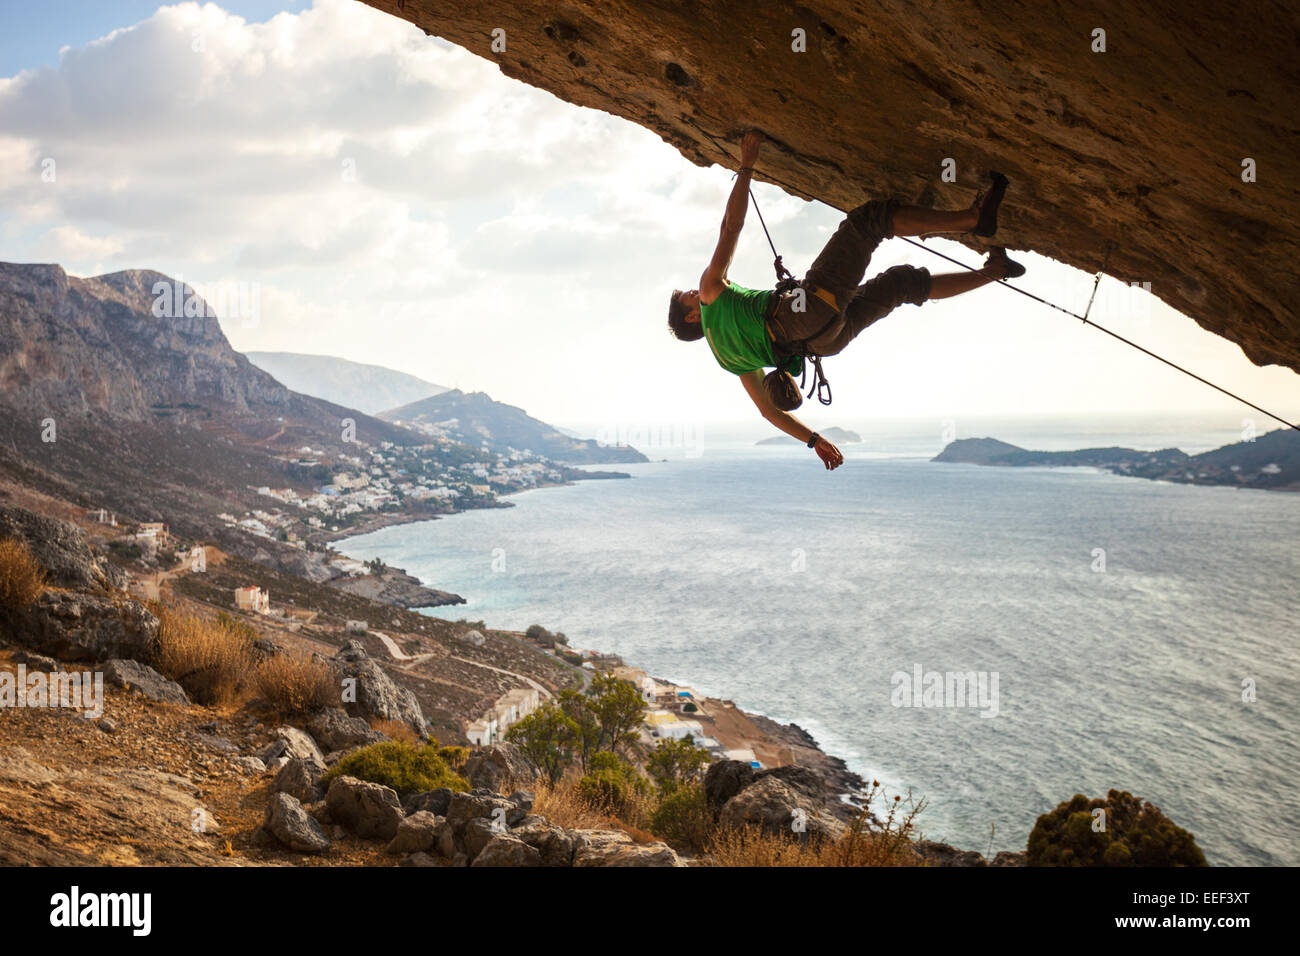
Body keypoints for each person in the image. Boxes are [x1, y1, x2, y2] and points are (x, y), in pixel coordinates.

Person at [667, 131, 1024, 470]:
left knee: (902, 284)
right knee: (868, 222)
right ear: (692, 318)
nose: (696, 292)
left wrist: (814, 440)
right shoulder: (712, 291)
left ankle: (994, 271)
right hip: (802, 314)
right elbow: (730, 227)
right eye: (689, 297)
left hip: (824, 344)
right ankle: (973, 218)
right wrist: (746, 166)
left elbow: (769, 412)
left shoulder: (730, 360)